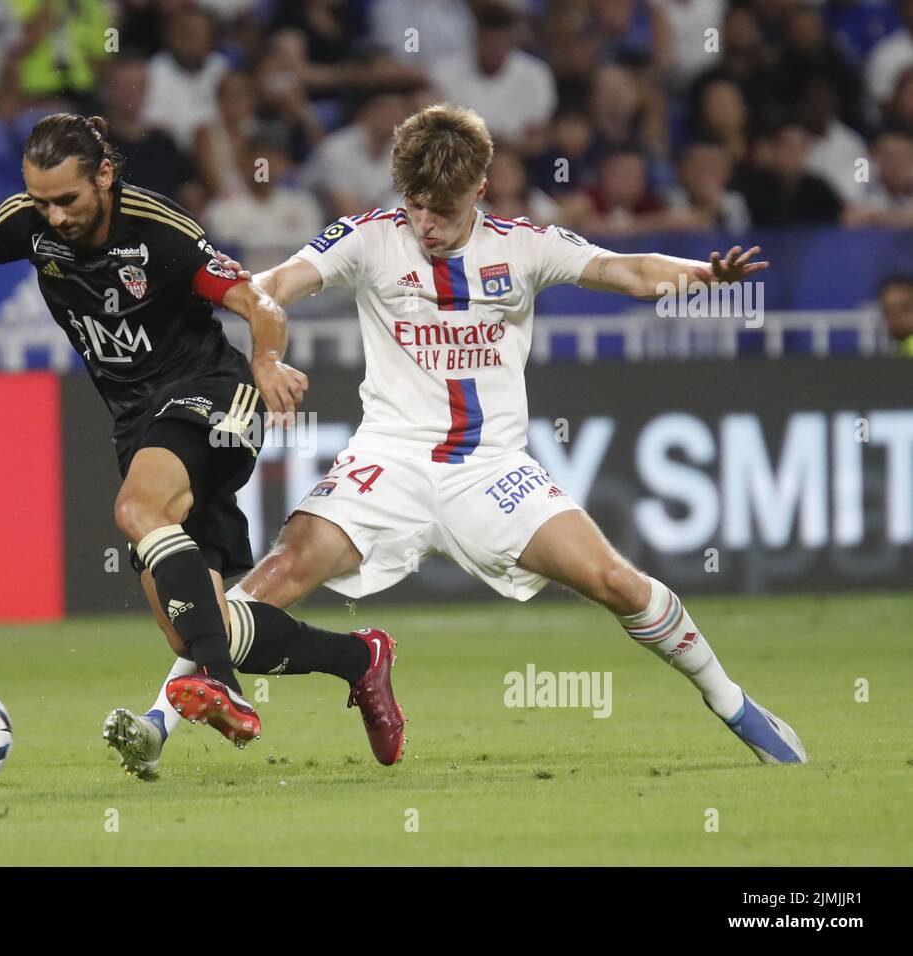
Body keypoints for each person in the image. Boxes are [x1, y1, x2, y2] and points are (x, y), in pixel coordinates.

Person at [107, 103, 807, 776]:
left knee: (616, 582)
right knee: (268, 583)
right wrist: (258, 333)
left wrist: (702, 277)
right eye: (413, 203)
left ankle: (736, 705)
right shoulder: (368, 236)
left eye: (442, 209)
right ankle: (158, 725)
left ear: (480, 187)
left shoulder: (524, 244)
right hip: (387, 459)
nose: (425, 223)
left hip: (492, 470)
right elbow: (274, 283)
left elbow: (624, 270)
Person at [0, 114, 404, 777]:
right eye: (41, 201)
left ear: (104, 176)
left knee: (138, 509)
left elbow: (258, 301)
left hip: (216, 393)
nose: (51, 217)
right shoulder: (26, 221)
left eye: (67, 201)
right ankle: (360, 660)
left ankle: (224, 690)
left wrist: (267, 360)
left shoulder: (160, 232)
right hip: (139, 423)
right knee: (200, 628)